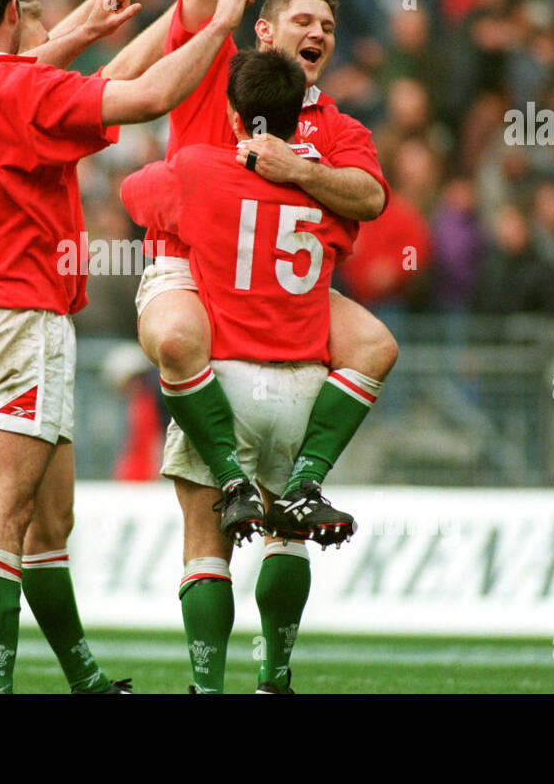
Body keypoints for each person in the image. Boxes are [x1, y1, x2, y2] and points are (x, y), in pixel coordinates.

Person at [0, 0, 259, 693]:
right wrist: (216, 30)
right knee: (4, 514)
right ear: (13, 12)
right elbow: (141, 98)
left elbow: (36, 66)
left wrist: (100, 10)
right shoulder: (27, 93)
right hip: (13, 316)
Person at [130, 0, 395, 543]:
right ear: (264, 31)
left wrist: (299, 171)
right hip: (194, 271)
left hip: (284, 294)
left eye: (329, 28)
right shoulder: (216, 71)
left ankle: (307, 483)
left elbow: (370, 198)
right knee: (177, 338)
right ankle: (229, 477)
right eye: (304, 21)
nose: (318, 34)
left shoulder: (335, 125)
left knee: (375, 343)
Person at [122, 49, 358, 694]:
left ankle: (206, 686)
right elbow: (353, 222)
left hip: (225, 383)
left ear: (232, 115)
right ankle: (275, 678)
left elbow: (135, 195)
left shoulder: (201, 167)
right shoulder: (323, 185)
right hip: (306, 383)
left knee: (205, 542)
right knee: (288, 538)